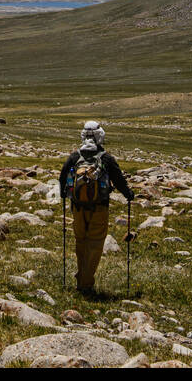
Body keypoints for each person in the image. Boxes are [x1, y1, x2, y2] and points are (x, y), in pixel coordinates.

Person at [60, 120, 134, 294]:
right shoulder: (106, 158)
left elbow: (62, 176)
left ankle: (82, 278)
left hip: (77, 207)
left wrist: (64, 194)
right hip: (99, 207)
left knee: (81, 241)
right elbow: (119, 181)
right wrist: (128, 194)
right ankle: (86, 282)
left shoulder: (74, 157)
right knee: (95, 242)